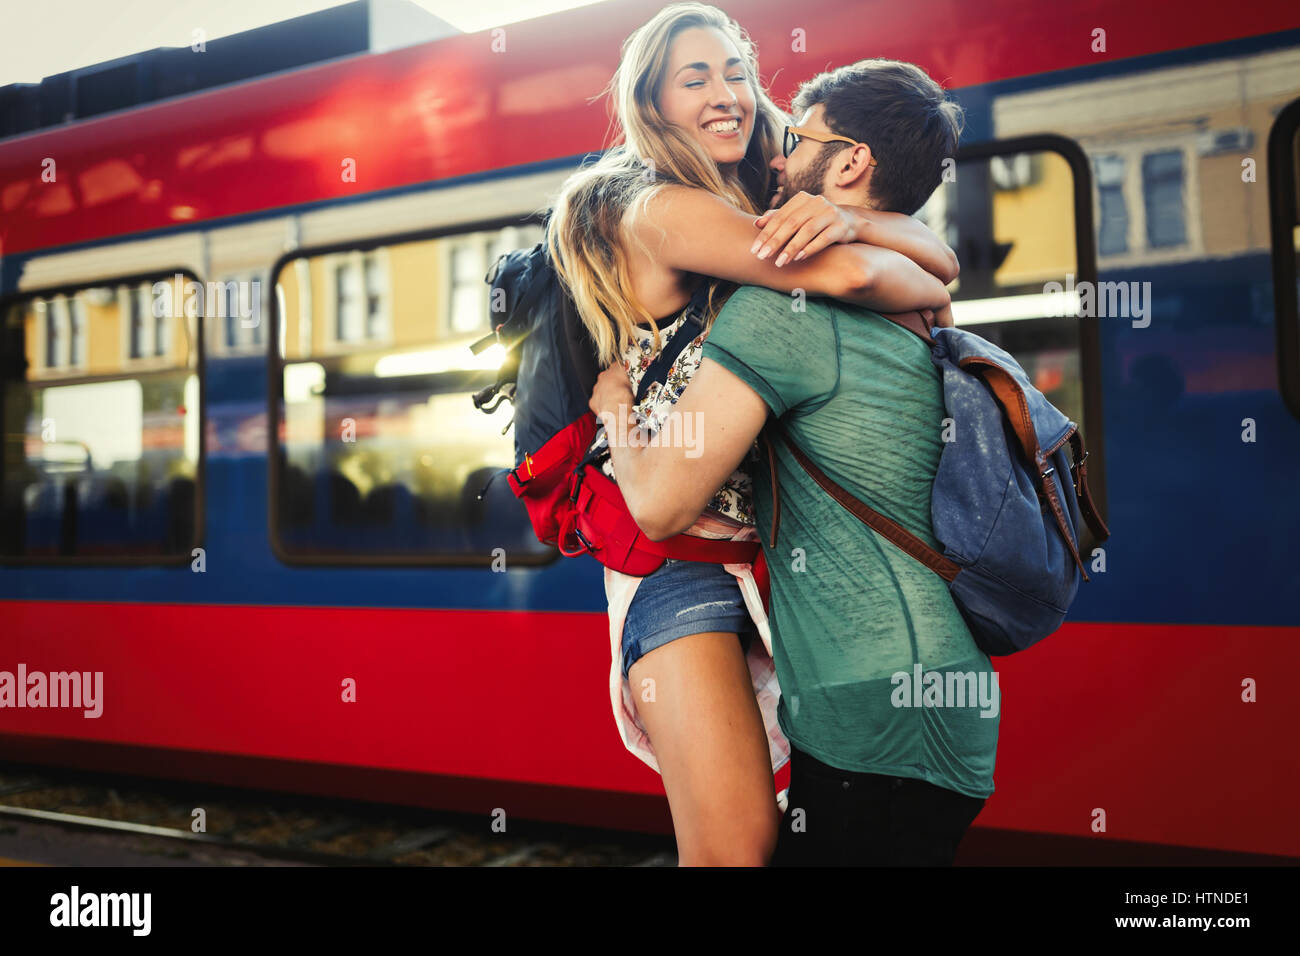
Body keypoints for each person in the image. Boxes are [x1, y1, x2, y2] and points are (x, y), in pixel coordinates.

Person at [547, 2, 957, 866]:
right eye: (694, 78)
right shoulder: (644, 204)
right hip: (678, 558)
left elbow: (936, 262)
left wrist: (857, 223)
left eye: (736, 70)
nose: (728, 93)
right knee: (736, 847)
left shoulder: (758, 189)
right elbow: (876, 274)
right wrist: (862, 240)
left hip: (771, 554)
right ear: (652, 103)